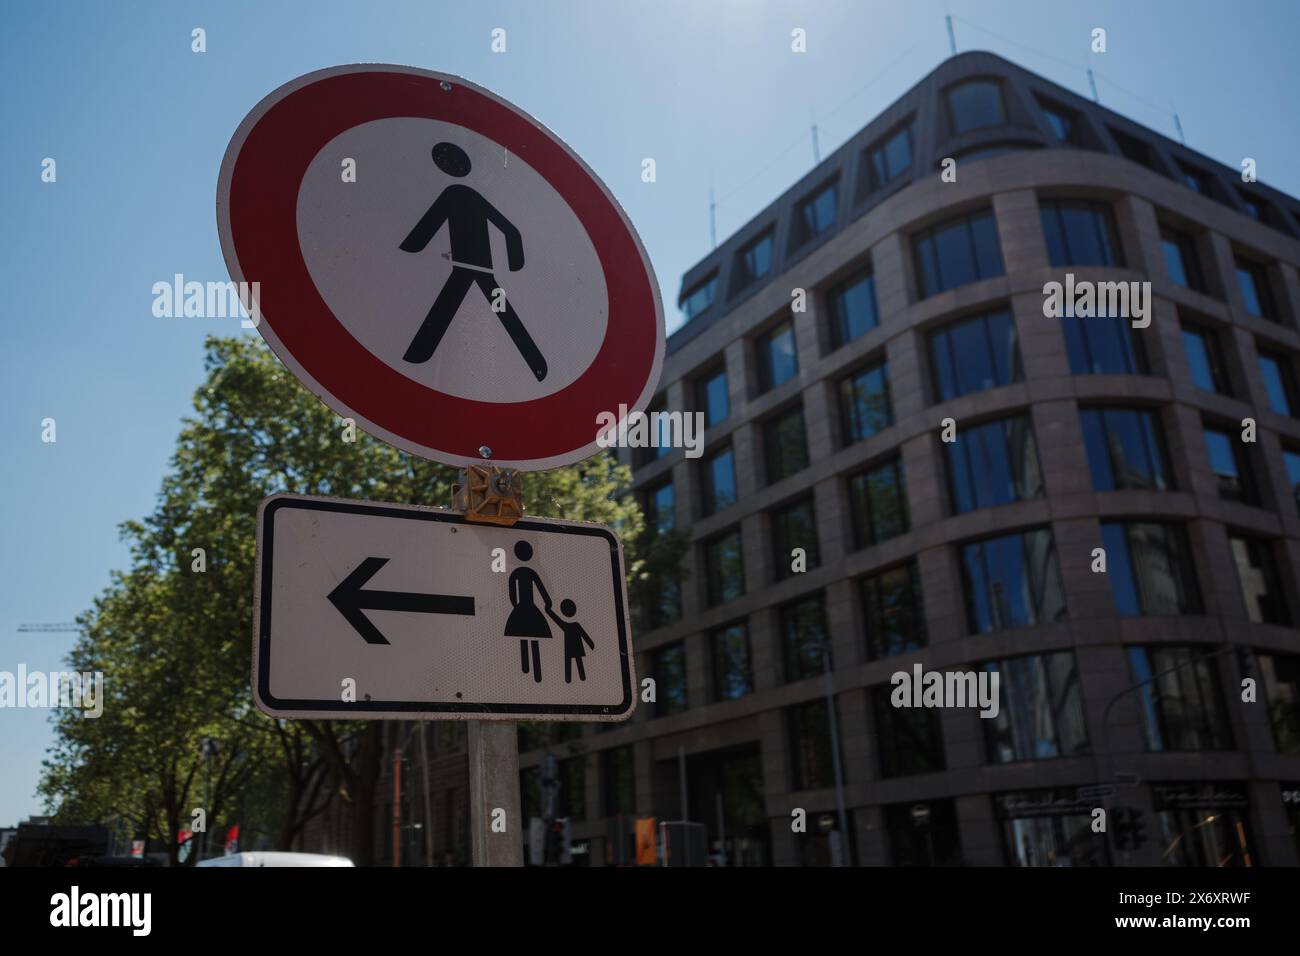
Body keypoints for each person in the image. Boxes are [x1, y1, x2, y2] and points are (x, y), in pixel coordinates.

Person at [397, 141, 547, 381]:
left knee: (451, 306)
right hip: (476, 267)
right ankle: (538, 365)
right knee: (490, 308)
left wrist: (412, 246)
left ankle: (416, 356)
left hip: (468, 266)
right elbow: (510, 230)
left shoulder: (455, 194)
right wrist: (514, 261)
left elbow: (430, 223)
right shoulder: (469, 195)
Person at [504, 541, 552, 682]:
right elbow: (542, 590)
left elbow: (512, 594)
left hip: (521, 608)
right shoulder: (528, 572)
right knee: (533, 636)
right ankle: (531, 672)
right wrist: (547, 602)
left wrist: (516, 607)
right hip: (529, 607)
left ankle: (528, 670)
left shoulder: (517, 572)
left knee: (525, 636)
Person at [545, 599, 594, 683]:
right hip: (574, 648)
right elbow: (585, 636)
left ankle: (575, 679)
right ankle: (571, 680)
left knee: (575, 663)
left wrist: (591, 644)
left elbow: (584, 635)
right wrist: (590, 644)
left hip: (572, 648)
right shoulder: (573, 625)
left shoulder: (569, 626)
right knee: (574, 663)